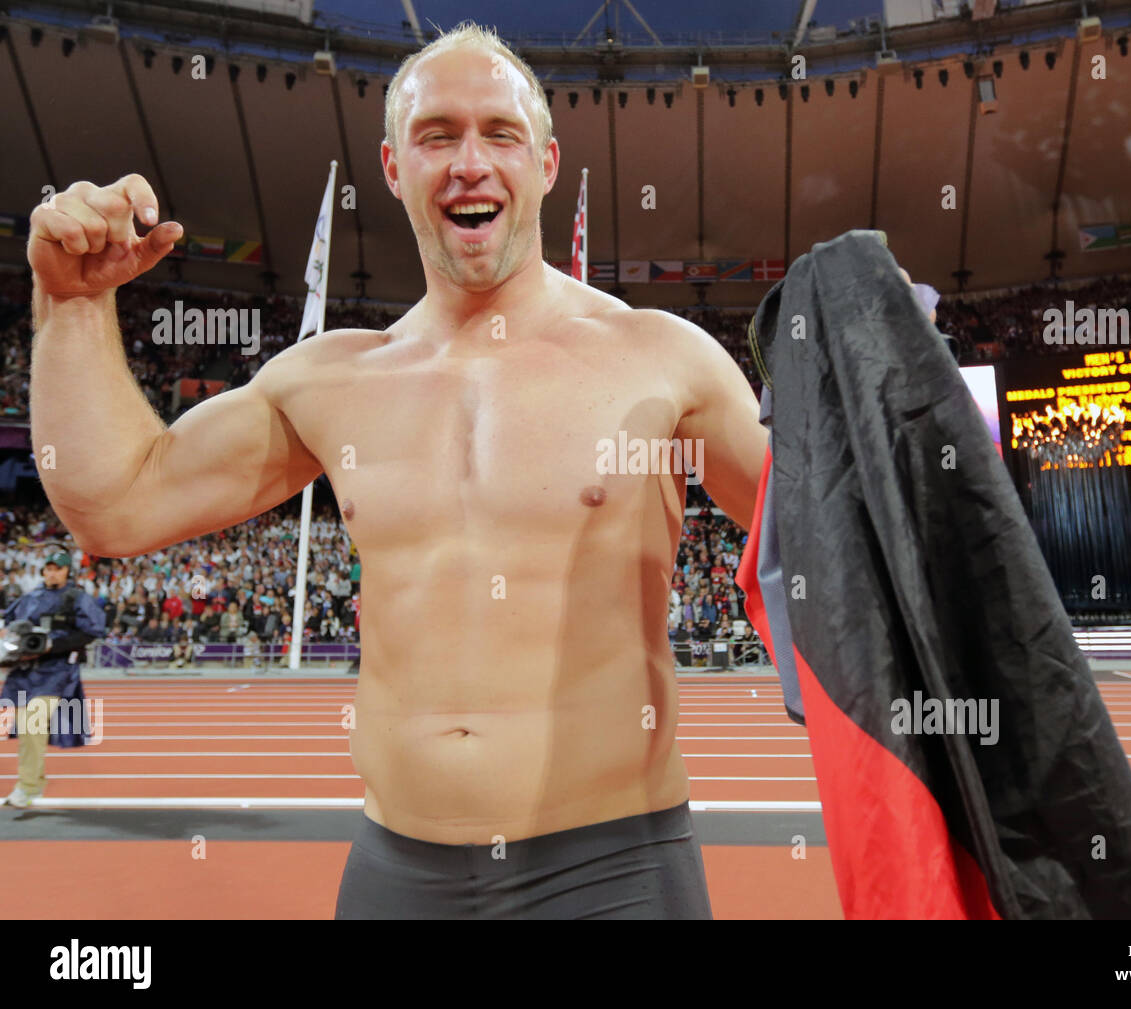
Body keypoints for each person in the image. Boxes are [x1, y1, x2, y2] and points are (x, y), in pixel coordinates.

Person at [28, 22, 916, 918]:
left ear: (545, 162)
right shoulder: (328, 380)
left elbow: (840, 547)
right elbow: (114, 505)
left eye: (500, 133)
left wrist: (900, 407)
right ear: (392, 166)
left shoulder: (664, 361)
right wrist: (72, 304)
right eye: (437, 134)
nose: (469, 161)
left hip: (614, 874)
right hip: (396, 874)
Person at [1, 551, 106, 807]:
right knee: (28, 728)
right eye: (48, 568)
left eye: (57, 569)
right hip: (25, 670)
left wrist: (53, 644)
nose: (52, 573)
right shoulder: (30, 597)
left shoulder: (77, 598)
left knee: (33, 721)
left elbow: (93, 630)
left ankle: (26, 787)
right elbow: (8, 622)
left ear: (67, 571)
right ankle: (34, 782)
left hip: (57, 671)